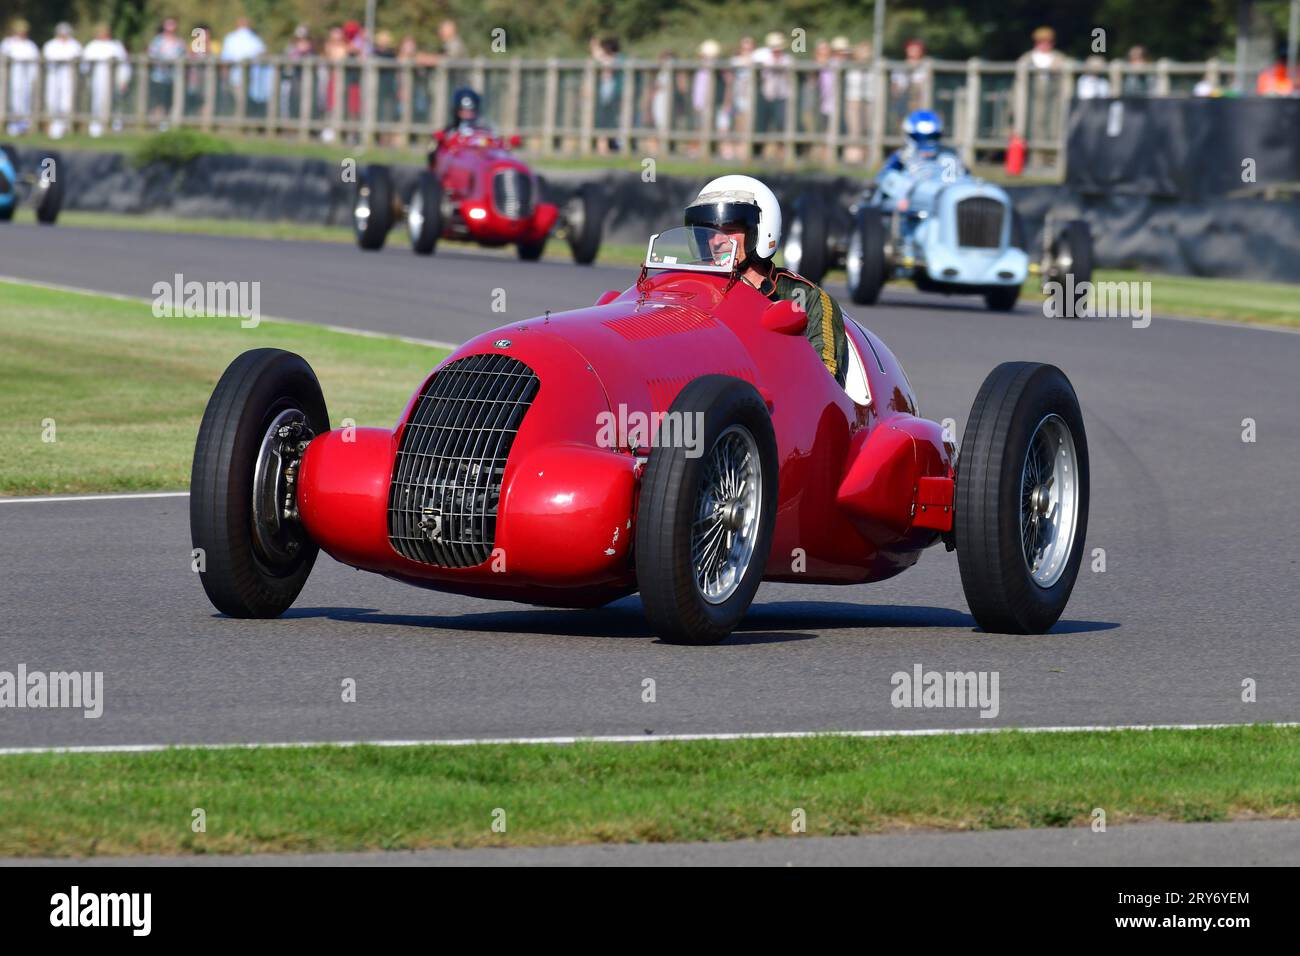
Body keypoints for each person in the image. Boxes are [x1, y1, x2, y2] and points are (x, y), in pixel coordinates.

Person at [685, 175, 848, 386]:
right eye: (710, 231)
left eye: (730, 230)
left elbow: (821, 383)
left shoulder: (806, 298)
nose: (716, 242)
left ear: (759, 232)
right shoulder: (691, 290)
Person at [880, 109, 965, 180]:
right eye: (920, 137)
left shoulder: (950, 156)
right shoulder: (902, 157)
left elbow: (965, 179)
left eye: (932, 137)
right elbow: (882, 179)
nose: (926, 143)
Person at [82, 23, 131, 137]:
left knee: (115, 102)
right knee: (97, 101)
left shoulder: (116, 46)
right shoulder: (92, 46)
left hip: (114, 79)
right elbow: (84, 67)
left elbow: (124, 65)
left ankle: (116, 126)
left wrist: (123, 79)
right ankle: (96, 127)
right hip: (97, 78)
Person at [220, 16, 270, 117]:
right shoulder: (254, 39)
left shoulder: (232, 38)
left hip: (239, 77)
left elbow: (225, 58)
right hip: (249, 78)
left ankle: (241, 119)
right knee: (243, 102)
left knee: (240, 101)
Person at [42, 23, 83, 139]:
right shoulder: (50, 45)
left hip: (68, 76)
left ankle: (65, 124)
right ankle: (53, 123)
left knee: (66, 99)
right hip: (54, 75)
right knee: (52, 98)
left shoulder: (74, 45)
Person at [1, 19, 40, 135]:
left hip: (26, 78)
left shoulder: (30, 45)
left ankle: (24, 125)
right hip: (11, 77)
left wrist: (34, 77)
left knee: (25, 100)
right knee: (13, 100)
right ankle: (13, 125)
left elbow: (35, 63)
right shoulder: (7, 43)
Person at [146, 18, 185, 124]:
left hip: (173, 77)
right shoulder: (157, 41)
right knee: (158, 101)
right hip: (158, 76)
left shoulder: (179, 42)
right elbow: (152, 55)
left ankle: (167, 121)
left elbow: (183, 57)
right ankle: (157, 122)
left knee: (169, 101)